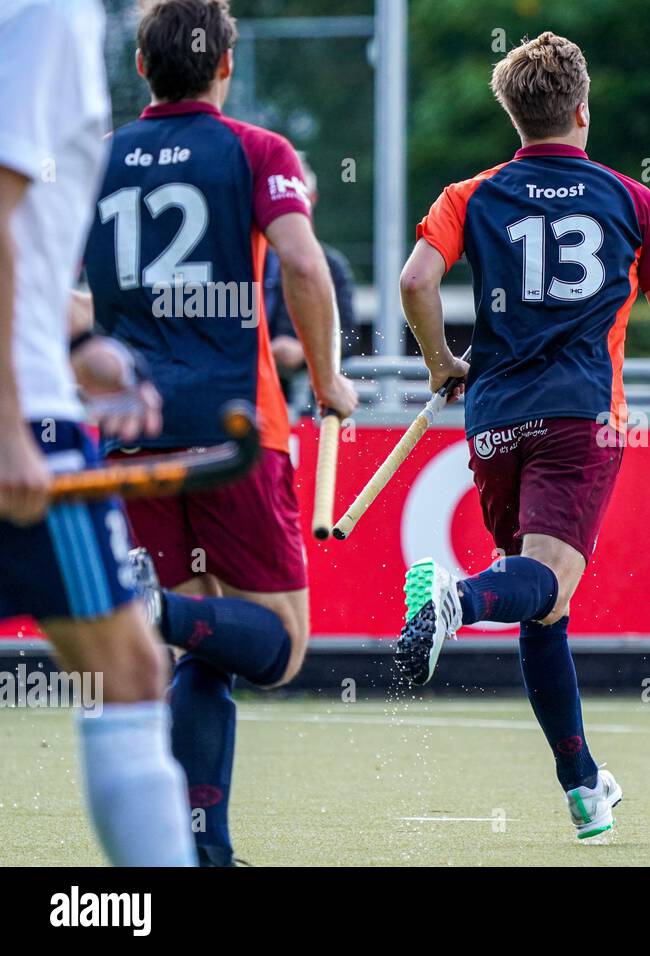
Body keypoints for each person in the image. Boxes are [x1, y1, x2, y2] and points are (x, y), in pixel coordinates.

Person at [397, 32, 650, 842]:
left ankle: (583, 788)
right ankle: (458, 601)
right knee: (544, 582)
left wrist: (442, 364)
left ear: (514, 113)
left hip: (496, 418)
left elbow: (414, 280)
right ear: (582, 110)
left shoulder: (471, 192)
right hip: (581, 415)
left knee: (547, 604)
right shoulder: (630, 200)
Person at [81, 0, 357, 866]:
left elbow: (57, 293)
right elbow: (306, 265)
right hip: (236, 429)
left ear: (140, 65)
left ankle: (208, 850)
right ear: (224, 65)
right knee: (276, 646)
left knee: (202, 644)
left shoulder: (97, 159)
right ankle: (149, 605)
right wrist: (331, 375)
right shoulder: (256, 150)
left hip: (128, 435)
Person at [0, 0, 193, 866]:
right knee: (130, 675)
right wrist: (9, 429)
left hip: (38, 386)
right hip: (26, 415)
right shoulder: (52, 12)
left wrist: (80, 340)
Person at [262, 152, 361, 399]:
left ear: (312, 199)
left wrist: (304, 352)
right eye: (279, 200)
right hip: (250, 397)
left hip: (305, 401)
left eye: (296, 198)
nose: (287, 210)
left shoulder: (332, 265)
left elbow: (348, 337)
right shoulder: (247, 260)